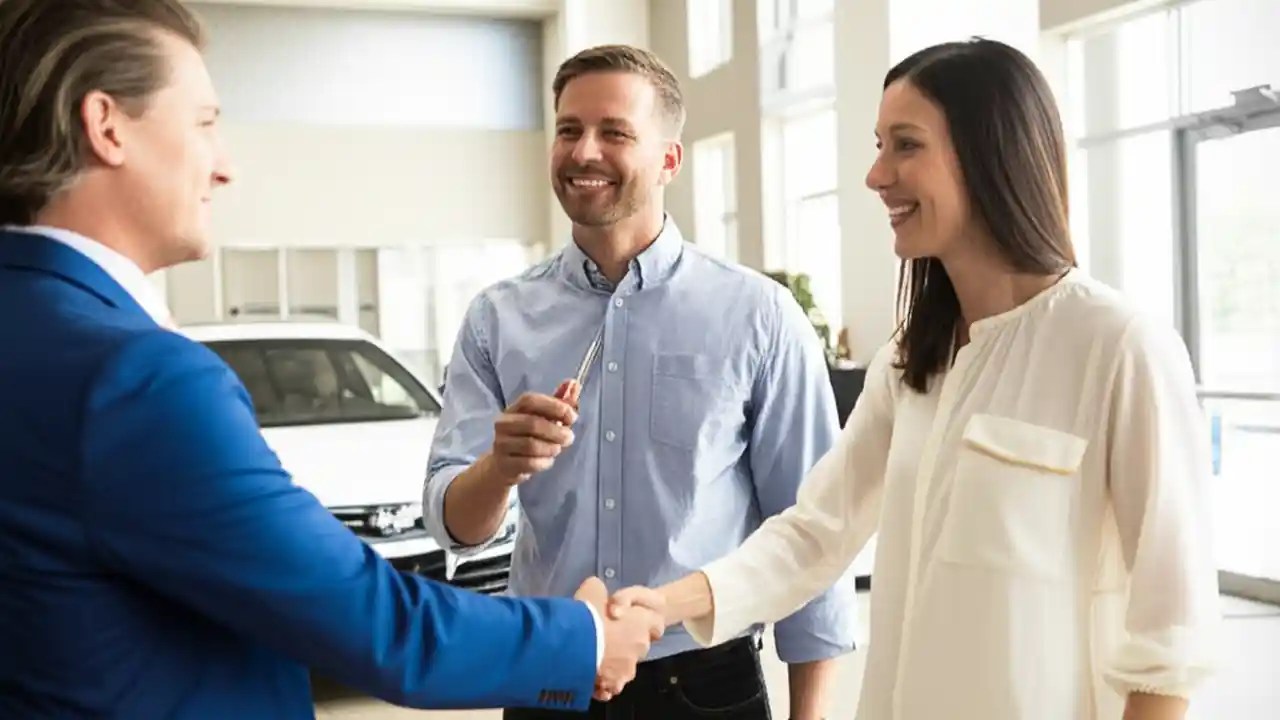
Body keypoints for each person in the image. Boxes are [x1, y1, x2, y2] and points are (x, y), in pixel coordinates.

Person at [0, 2, 664, 717]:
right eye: (203, 122)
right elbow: (378, 624)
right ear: (106, 126)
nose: (224, 167)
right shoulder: (136, 379)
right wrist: (586, 638)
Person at [611, 38, 1221, 720]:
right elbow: (816, 533)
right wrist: (660, 604)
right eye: (879, 144)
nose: (876, 174)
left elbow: (1172, 628)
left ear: (991, 154)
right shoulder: (912, 361)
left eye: (906, 145)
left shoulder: (1119, 346)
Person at [424, 45, 857, 719]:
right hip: (547, 676)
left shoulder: (759, 316)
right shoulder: (497, 317)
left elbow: (809, 532)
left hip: (706, 685)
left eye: (614, 132)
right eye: (568, 129)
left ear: (668, 160)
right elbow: (456, 525)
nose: (583, 151)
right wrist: (500, 468)